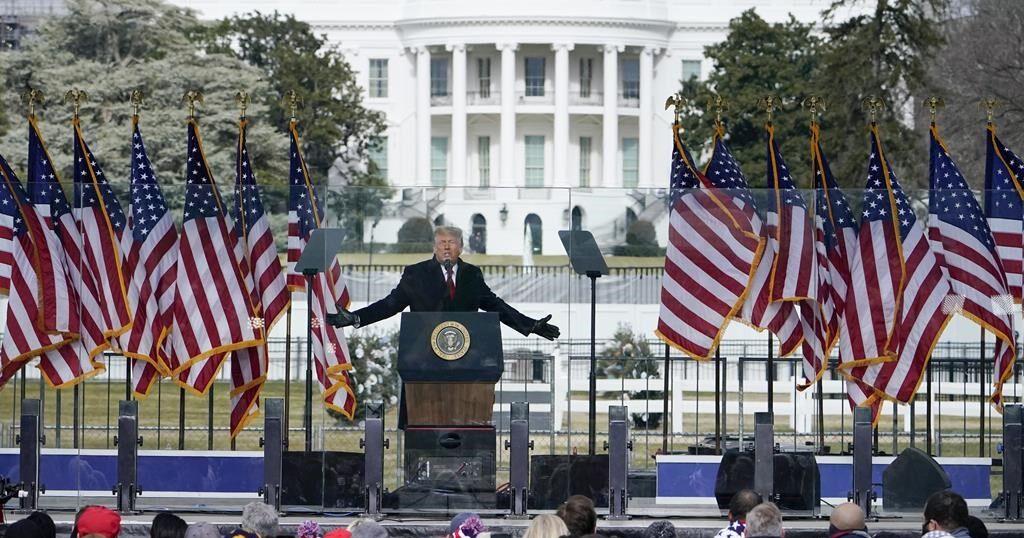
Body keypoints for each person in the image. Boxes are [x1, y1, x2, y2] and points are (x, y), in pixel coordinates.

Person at [327, 225, 560, 427]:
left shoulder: (472, 274)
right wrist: (356, 318)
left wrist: (531, 326)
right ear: (434, 247)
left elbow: (495, 305)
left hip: (466, 367)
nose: (446, 248)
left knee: (465, 426)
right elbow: (390, 304)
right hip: (424, 365)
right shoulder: (416, 273)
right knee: (424, 429)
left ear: (461, 247)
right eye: (441, 243)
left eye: (451, 243)